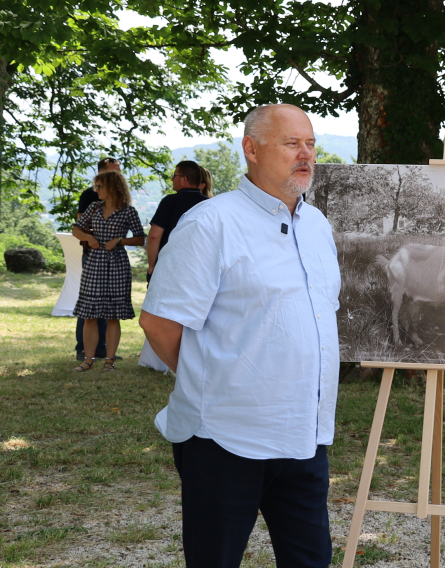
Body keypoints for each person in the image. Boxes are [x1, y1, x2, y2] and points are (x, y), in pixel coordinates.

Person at [139, 104, 339, 568]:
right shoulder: (211, 223)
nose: (306, 154)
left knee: (311, 561)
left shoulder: (317, 225)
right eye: (292, 144)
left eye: (310, 144)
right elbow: (159, 323)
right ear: (251, 149)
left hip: (304, 436)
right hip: (224, 439)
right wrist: (215, 379)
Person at [72, 170, 145, 372]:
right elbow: (76, 229)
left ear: (112, 187)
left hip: (117, 265)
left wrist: (119, 240)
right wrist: (88, 238)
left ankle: (109, 361)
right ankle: (88, 360)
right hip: (93, 263)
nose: (96, 190)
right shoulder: (94, 207)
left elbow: (140, 238)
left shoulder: (128, 211)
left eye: (100, 186)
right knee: (89, 314)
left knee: (113, 315)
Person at [74, 157, 118, 361]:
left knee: (107, 303)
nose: (118, 174)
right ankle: (83, 349)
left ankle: (101, 348)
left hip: (113, 256)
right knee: (90, 303)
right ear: (101, 172)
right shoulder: (89, 195)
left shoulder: (118, 198)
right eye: (114, 170)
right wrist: (93, 237)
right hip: (93, 254)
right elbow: (80, 224)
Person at [145, 160, 209, 284]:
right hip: (198, 269)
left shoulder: (169, 202)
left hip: (167, 267)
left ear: (184, 179)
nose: (172, 179)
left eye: (174, 175)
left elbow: (154, 237)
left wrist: (152, 265)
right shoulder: (208, 204)